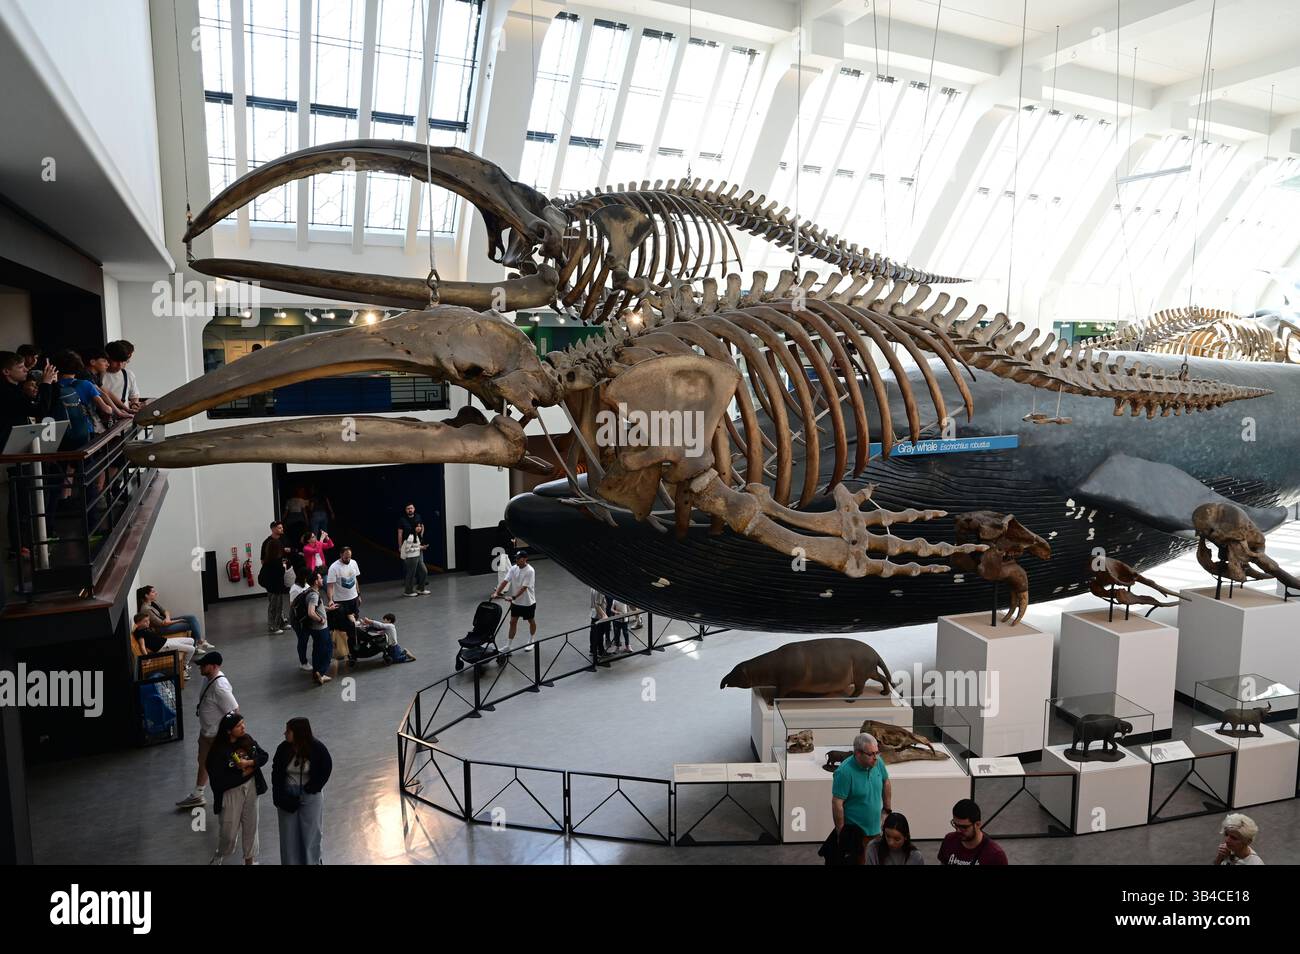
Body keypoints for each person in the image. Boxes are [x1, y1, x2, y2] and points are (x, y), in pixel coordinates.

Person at [176, 652, 238, 809]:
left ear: (215, 666)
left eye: (204, 665)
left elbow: (234, 711)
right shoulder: (208, 678)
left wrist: (228, 735)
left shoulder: (220, 687)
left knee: (221, 766)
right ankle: (198, 794)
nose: (200, 668)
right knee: (203, 763)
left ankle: (230, 797)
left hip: (217, 736)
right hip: (207, 733)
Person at [206, 712, 268, 865]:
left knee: (251, 826)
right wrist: (243, 775)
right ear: (228, 730)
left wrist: (249, 763)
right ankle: (220, 854)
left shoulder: (247, 740)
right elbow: (218, 780)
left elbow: (263, 756)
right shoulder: (218, 752)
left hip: (251, 788)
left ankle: (250, 861)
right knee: (228, 833)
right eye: (239, 725)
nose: (243, 727)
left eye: (243, 723)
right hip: (230, 793)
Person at [272, 717, 333, 865]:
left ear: (298, 733)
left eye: (288, 731)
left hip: (310, 796)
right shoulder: (283, 749)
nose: (284, 733)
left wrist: (312, 787)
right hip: (287, 794)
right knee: (288, 836)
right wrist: (280, 797)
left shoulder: (317, 748)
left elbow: (326, 768)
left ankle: (312, 862)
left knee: (311, 834)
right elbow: (277, 773)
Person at [831, 732, 891, 853]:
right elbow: (837, 803)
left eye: (877, 753)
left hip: (877, 830)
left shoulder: (878, 762)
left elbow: (886, 782)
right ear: (858, 753)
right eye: (871, 754)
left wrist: (887, 809)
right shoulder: (844, 772)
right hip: (856, 835)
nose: (875, 757)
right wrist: (841, 833)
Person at [1, 350, 58, 448]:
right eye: (20, 367)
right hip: (7, 447)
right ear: (6, 371)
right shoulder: (6, 393)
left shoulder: (16, 388)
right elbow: (41, 411)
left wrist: (52, 384)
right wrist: (46, 384)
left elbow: (45, 407)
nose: (26, 369)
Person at [137, 584, 215, 652]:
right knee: (190, 625)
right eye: (153, 592)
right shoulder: (146, 609)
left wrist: (167, 618)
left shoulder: (152, 603)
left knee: (192, 617)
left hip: (166, 622)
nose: (156, 593)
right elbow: (161, 624)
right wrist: (178, 620)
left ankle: (199, 642)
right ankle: (198, 643)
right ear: (146, 595)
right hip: (161, 629)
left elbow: (165, 611)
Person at [938, 798, 1008, 865]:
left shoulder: (995, 855)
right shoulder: (949, 840)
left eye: (964, 827)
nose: (958, 830)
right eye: (956, 825)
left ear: (978, 824)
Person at [492, 551, 537, 651]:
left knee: (531, 621)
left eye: (518, 558)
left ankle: (531, 640)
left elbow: (524, 588)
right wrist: (497, 592)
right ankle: (508, 645)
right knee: (512, 622)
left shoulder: (530, 571)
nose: (516, 560)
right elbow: (505, 581)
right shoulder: (513, 568)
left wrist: (513, 597)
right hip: (516, 603)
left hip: (528, 602)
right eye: (516, 557)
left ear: (525, 559)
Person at [131, 610, 196, 671]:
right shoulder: (139, 633)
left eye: (148, 620)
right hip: (163, 647)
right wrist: (147, 658)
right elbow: (142, 646)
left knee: (191, 640)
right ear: (138, 623)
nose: (148, 622)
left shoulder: (144, 628)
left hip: (166, 641)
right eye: (145, 621)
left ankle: (184, 654)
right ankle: (184, 666)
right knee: (192, 649)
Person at [260, 520, 290, 634]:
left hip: (277, 580)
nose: (282, 530)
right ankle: (273, 626)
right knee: (274, 603)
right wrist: (281, 567)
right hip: (272, 581)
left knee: (279, 602)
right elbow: (263, 561)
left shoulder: (282, 540)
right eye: (279, 528)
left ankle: (281, 622)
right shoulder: (268, 544)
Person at [304, 572, 333, 686]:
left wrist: (327, 609)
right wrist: (321, 620)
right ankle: (321, 673)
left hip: (314, 628)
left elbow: (316, 607)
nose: (322, 580)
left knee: (317, 649)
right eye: (320, 578)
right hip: (320, 628)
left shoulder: (310, 591)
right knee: (328, 649)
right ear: (316, 581)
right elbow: (311, 612)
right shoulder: (314, 595)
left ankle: (316, 672)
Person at [102, 340, 141, 410]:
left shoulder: (128, 374)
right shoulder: (99, 376)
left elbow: (134, 396)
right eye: (116, 361)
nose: (120, 365)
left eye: (123, 361)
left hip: (125, 417)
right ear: (108, 358)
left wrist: (134, 404)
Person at [326, 546, 361, 618]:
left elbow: (355, 579)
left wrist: (358, 595)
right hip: (341, 600)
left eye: (349, 557)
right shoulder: (334, 567)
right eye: (346, 558)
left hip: (354, 598)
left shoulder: (354, 563)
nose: (348, 559)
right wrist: (330, 600)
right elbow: (330, 586)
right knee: (342, 621)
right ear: (341, 555)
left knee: (355, 618)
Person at [288, 571, 312, 672]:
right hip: (298, 620)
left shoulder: (306, 585)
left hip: (306, 617)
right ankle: (303, 662)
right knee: (303, 639)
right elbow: (292, 605)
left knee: (306, 638)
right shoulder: (295, 589)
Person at [401, 521, 430, 596]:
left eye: (420, 526)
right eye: (417, 526)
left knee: (424, 571)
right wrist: (418, 549)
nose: (419, 528)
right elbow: (407, 549)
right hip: (411, 557)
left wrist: (422, 547)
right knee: (411, 574)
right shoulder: (411, 536)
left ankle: (420, 589)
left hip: (417, 556)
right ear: (414, 527)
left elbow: (415, 546)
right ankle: (408, 591)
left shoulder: (417, 535)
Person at [588, 587, 611, 660]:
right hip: (599, 616)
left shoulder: (593, 586)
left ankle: (592, 650)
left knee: (593, 633)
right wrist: (604, 615)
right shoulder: (599, 589)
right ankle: (600, 651)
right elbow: (597, 604)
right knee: (599, 634)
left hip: (594, 614)